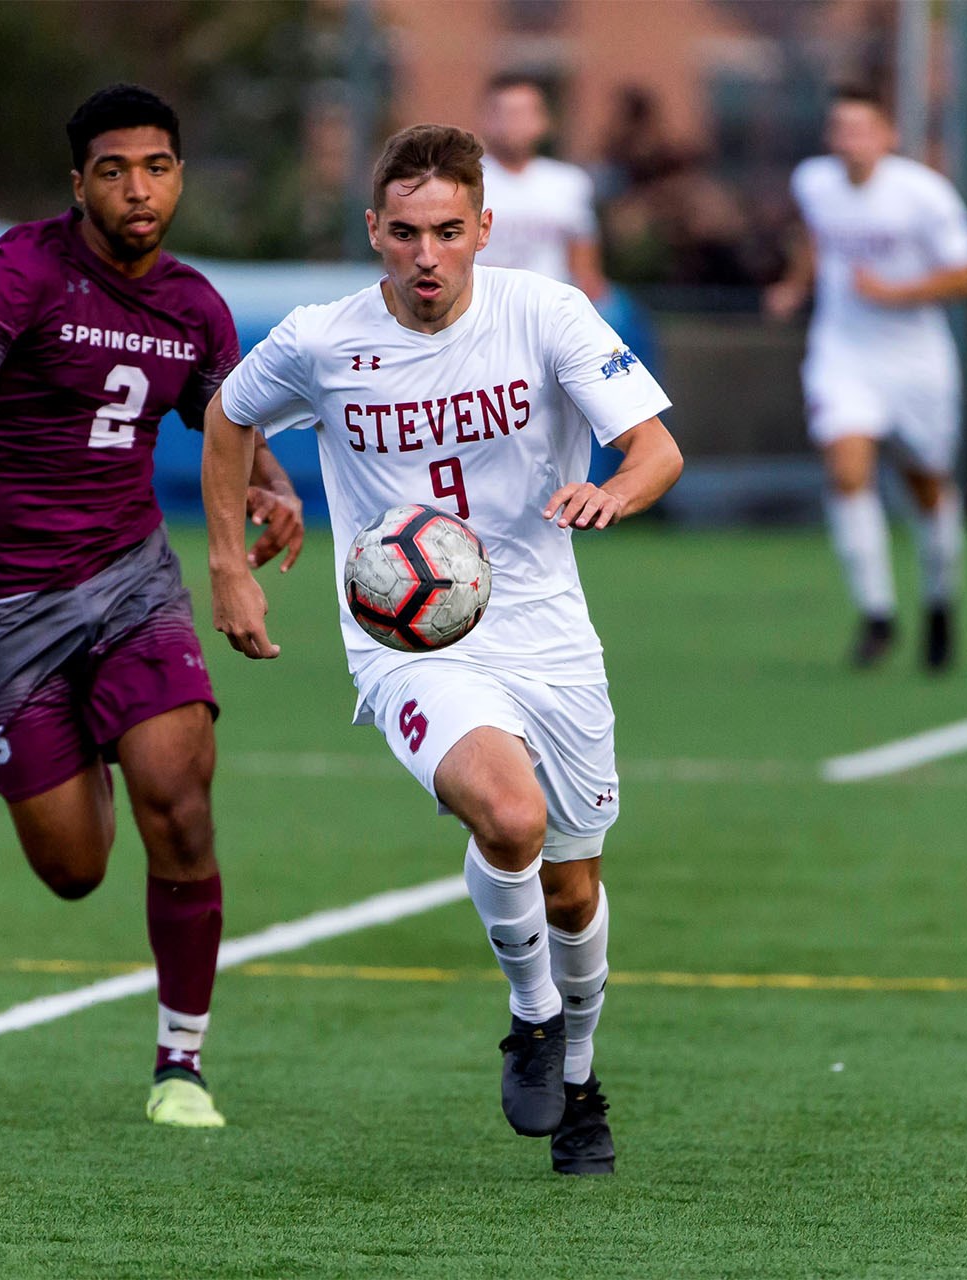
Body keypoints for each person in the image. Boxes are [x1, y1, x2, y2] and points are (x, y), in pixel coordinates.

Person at [0, 83, 305, 1130]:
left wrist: (267, 479)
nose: (140, 188)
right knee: (77, 868)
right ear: (78, 181)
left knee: (178, 791)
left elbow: (226, 418)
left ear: (181, 176)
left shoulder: (194, 306)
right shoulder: (15, 282)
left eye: (159, 167)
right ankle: (74, 734)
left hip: (132, 577)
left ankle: (182, 1060)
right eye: (116, 169)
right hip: (3, 605)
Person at [201, 125, 682, 1175]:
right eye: (406, 232)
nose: (427, 255)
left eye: (449, 232)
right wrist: (231, 563)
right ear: (374, 230)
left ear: (483, 230)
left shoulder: (544, 313)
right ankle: (530, 1017)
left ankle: (584, 1078)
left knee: (572, 887)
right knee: (508, 813)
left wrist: (613, 489)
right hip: (410, 636)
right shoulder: (322, 341)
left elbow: (655, 448)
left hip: (548, 630)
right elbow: (228, 413)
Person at [765, 86, 967, 671]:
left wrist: (895, 293)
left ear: (888, 136)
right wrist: (795, 284)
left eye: (862, 129)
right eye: (840, 128)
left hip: (917, 363)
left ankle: (939, 601)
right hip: (844, 354)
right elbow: (814, 237)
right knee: (848, 470)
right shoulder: (814, 182)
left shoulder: (924, 195)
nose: (849, 141)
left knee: (927, 488)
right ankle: (878, 614)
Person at [478, 75, 608, 300]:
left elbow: (584, 262)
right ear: (487, 120)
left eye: (524, 113)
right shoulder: (465, 181)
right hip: (484, 306)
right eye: (507, 113)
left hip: (552, 308)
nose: (516, 123)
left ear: (543, 120)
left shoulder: (569, 182)